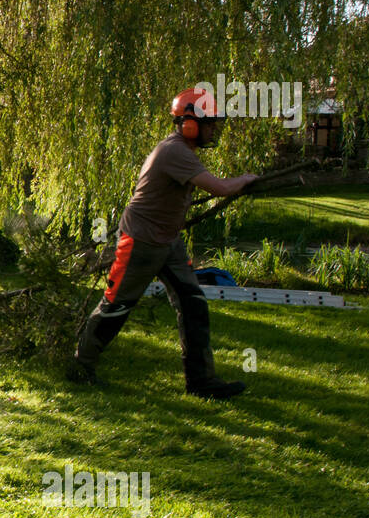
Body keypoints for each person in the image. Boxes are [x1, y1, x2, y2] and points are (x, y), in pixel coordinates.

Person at [69, 87, 258, 399]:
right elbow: (221, 189)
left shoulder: (184, 153)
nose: (214, 131)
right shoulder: (175, 152)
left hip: (168, 242)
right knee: (116, 307)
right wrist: (246, 180)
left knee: (193, 304)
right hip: (140, 241)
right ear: (189, 124)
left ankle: (201, 381)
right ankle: (81, 367)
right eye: (210, 124)